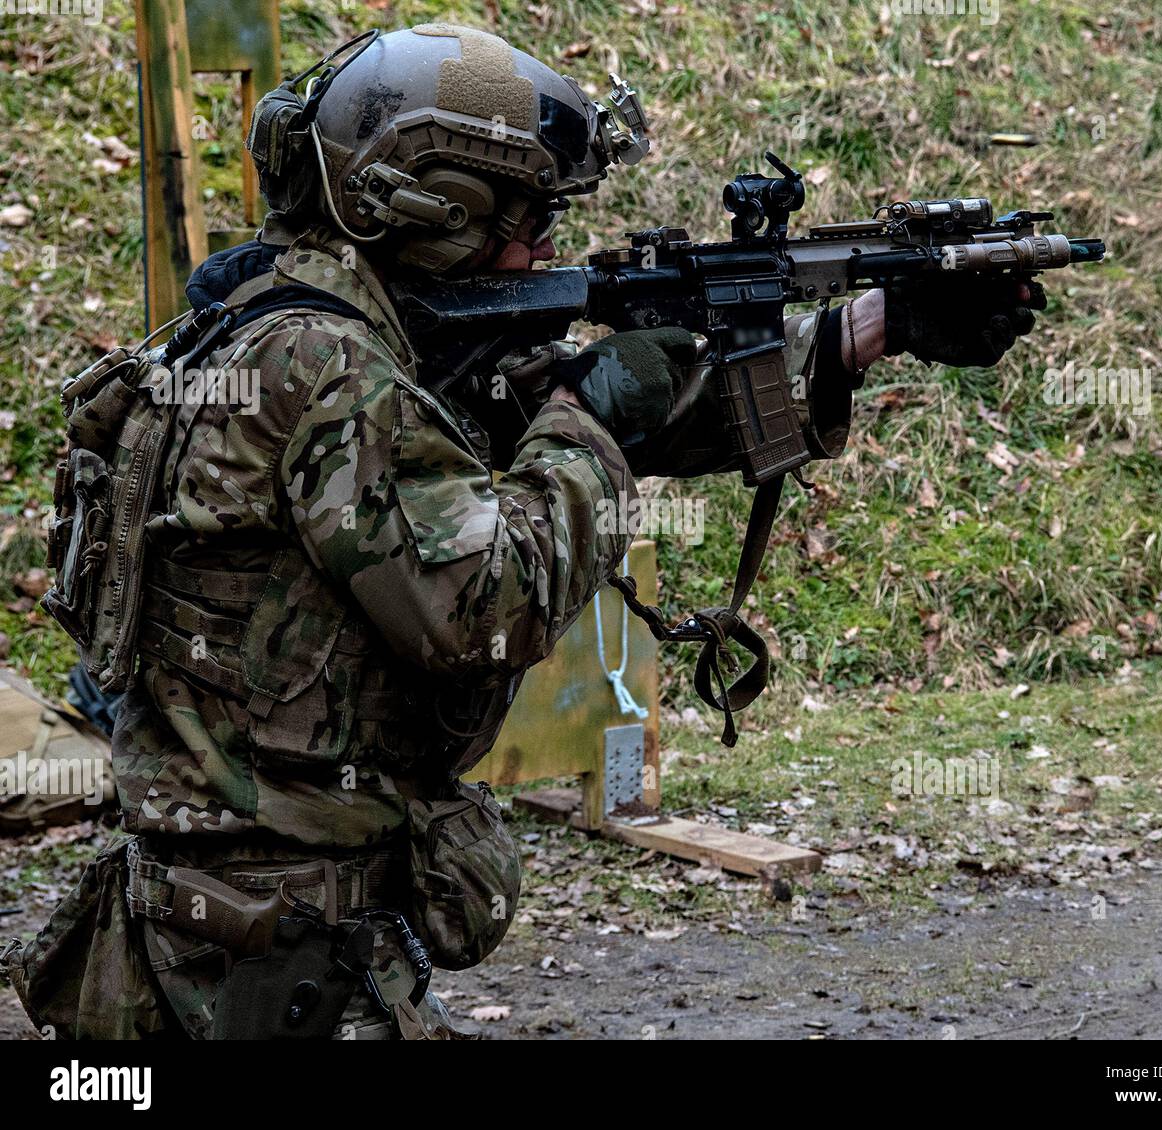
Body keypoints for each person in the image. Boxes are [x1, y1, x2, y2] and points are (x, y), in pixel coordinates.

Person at [5, 23, 1042, 1039]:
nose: (548, 245)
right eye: (530, 211)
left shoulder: (293, 331)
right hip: (272, 959)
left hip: (229, 928)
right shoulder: (325, 375)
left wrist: (863, 332)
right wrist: (587, 424)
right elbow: (485, 602)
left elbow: (605, 405)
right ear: (439, 206)